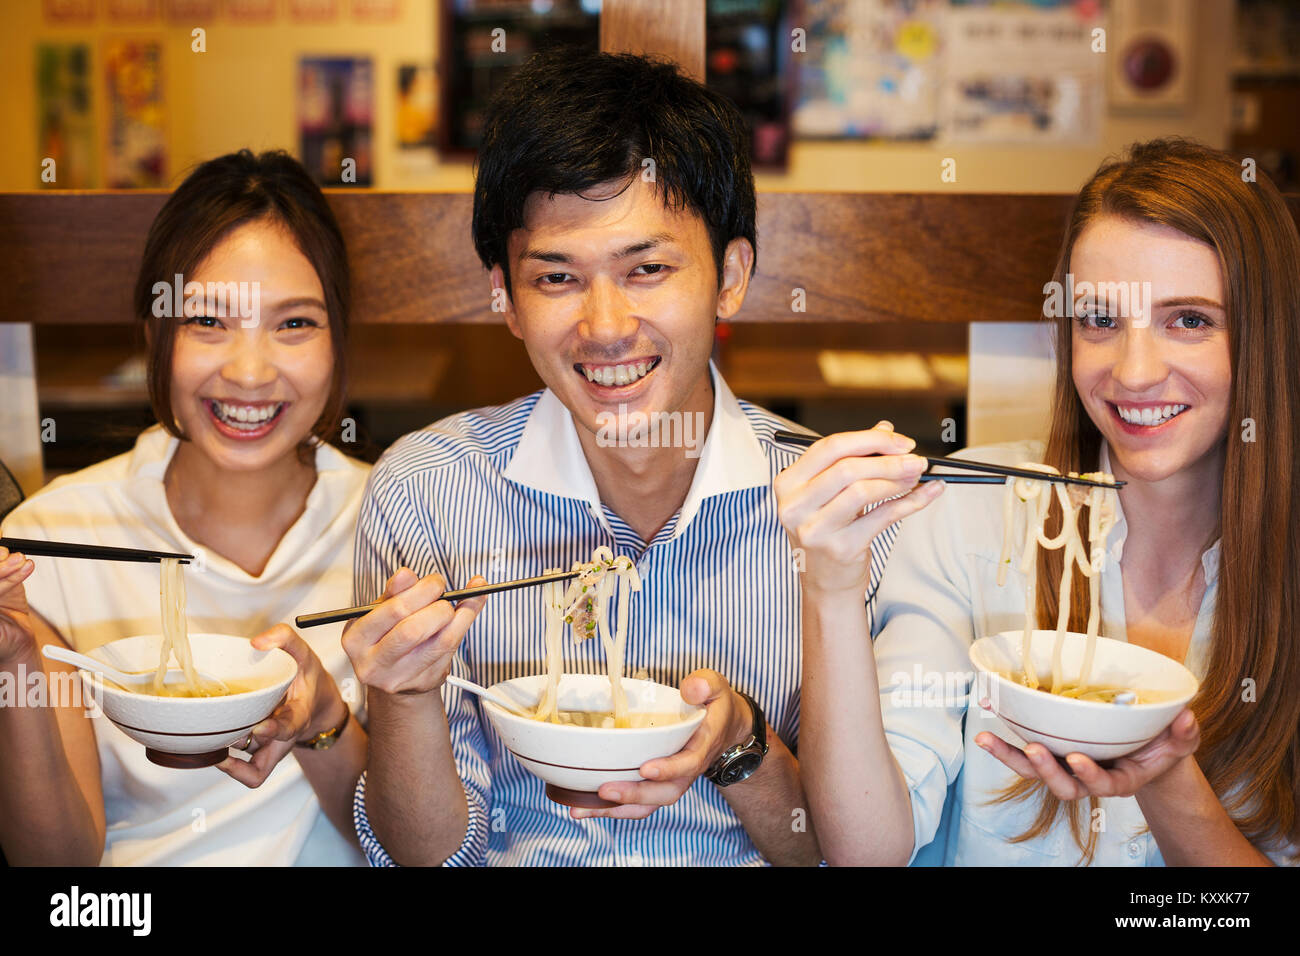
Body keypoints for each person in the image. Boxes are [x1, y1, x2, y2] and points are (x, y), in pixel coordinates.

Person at [341, 48, 932, 866]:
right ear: (505, 298)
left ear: (731, 277)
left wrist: (740, 745)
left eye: (647, 269)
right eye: (556, 278)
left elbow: (843, 857)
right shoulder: (424, 491)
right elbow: (431, 856)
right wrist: (400, 695)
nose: (607, 325)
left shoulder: (841, 516)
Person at [779, 138, 1300, 865]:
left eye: (1190, 320)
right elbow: (866, 847)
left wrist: (1165, 780)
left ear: (1267, 334)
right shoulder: (973, 514)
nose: (1134, 371)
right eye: (1099, 319)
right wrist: (829, 586)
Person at [0, 150, 371, 866]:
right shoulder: (50, 541)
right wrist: (12, 661)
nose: (250, 371)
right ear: (154, 335)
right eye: (207, 321)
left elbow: (426, 848)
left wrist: (323, 723)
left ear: (338, 339)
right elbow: (57, 865)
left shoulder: (400, 524)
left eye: (294, 324)